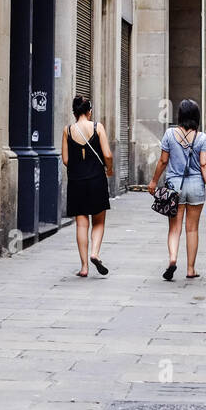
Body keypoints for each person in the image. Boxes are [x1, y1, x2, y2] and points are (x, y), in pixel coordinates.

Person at [148, 98, 206, 280]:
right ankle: (190, 269)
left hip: (174, 187)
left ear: (179, 115)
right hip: (195, 186)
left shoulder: (170, 134)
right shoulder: (201, 138)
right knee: (192, 229)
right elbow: (204, 164)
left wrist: (154, 181)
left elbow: (163, 161)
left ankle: (172, 259)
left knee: (174, 228)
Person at [61, 95, 113, 277]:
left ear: (74, 112)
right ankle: (95, 253)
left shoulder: (67, 130)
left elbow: (66, 160)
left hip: (76, 181)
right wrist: (110, 169)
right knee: (98, 221)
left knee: (81, 225)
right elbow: (107, 154)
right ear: (89, 111)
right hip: (96, 180)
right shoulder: (98, 127)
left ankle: (84, 267)